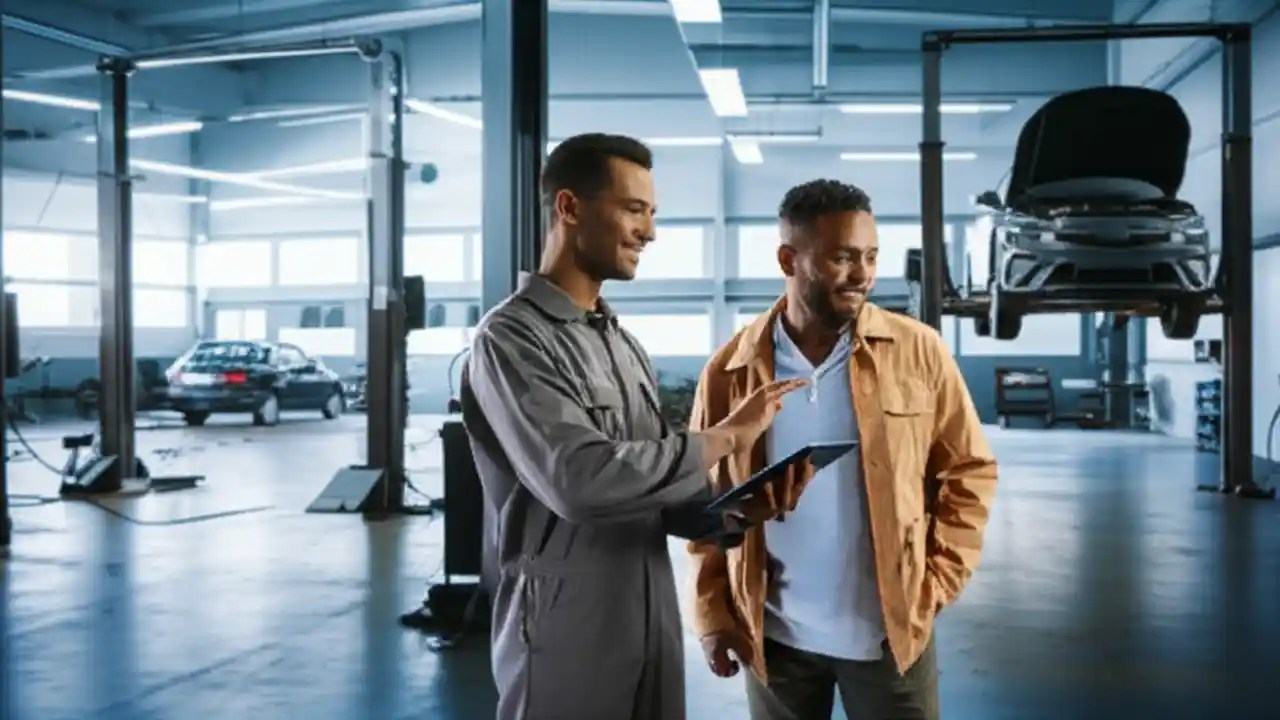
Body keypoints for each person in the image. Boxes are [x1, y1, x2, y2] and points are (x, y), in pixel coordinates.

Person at [459, 132, 807, 720]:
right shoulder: (509, 339)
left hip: (647, 612)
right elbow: (579, 482)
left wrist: (740, 507)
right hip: (563, 623)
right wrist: (727, 435)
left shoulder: (623, 346)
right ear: (570, 208)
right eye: (634, 209)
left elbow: (655, 497)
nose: (649, 231)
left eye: (652, 213)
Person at [685, 179, 999, 720]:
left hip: (889, 637)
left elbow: (969, 470)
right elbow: (705, 500)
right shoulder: (730, 368)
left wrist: (936, 582)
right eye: (842, 257)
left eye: (871, 256)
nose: (863, 275)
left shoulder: (917, 350)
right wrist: (714, 616)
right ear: (789, 258)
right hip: (776, 638)